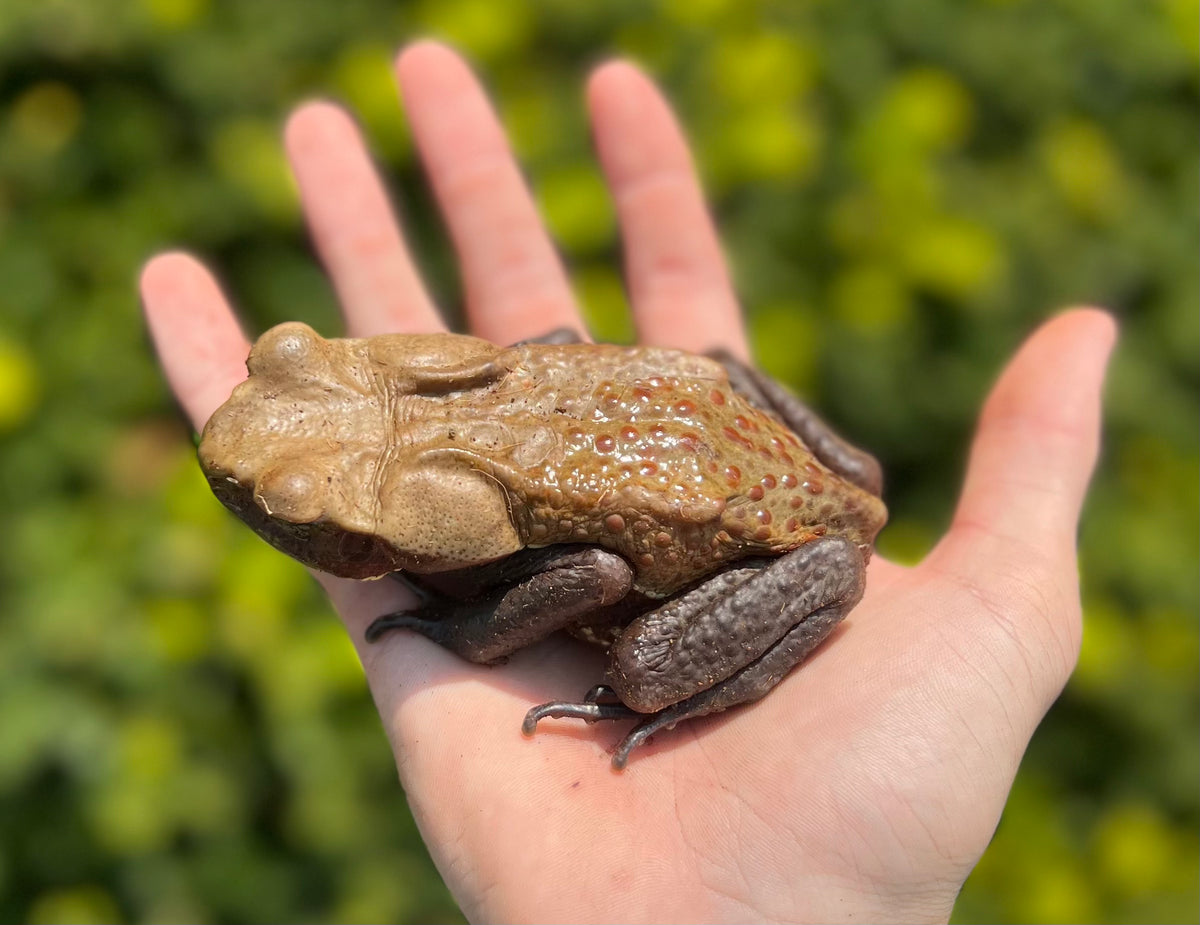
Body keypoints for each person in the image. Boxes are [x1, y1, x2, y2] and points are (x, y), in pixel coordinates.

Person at [139, 41, 1115, 923]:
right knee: (679, 376)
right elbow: (564, 358)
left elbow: (599, 573)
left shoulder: (505, 427)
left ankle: (685, 669)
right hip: (707, 424)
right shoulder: (507, 366)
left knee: (643, 667)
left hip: (776, 543)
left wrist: (470, 633)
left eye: (298, 504)